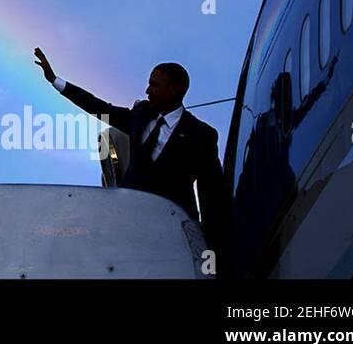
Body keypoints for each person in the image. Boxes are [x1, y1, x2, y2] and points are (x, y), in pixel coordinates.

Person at [34, 46, 232, 274]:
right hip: (129, 225)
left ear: (175, 89)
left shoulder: (202, 135)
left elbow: (213, 198)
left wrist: (214, 255)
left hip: (172, 233)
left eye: (155, 85)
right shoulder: (140, 115)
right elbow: (99, 108)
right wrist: (55, 80)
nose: (148, 90)